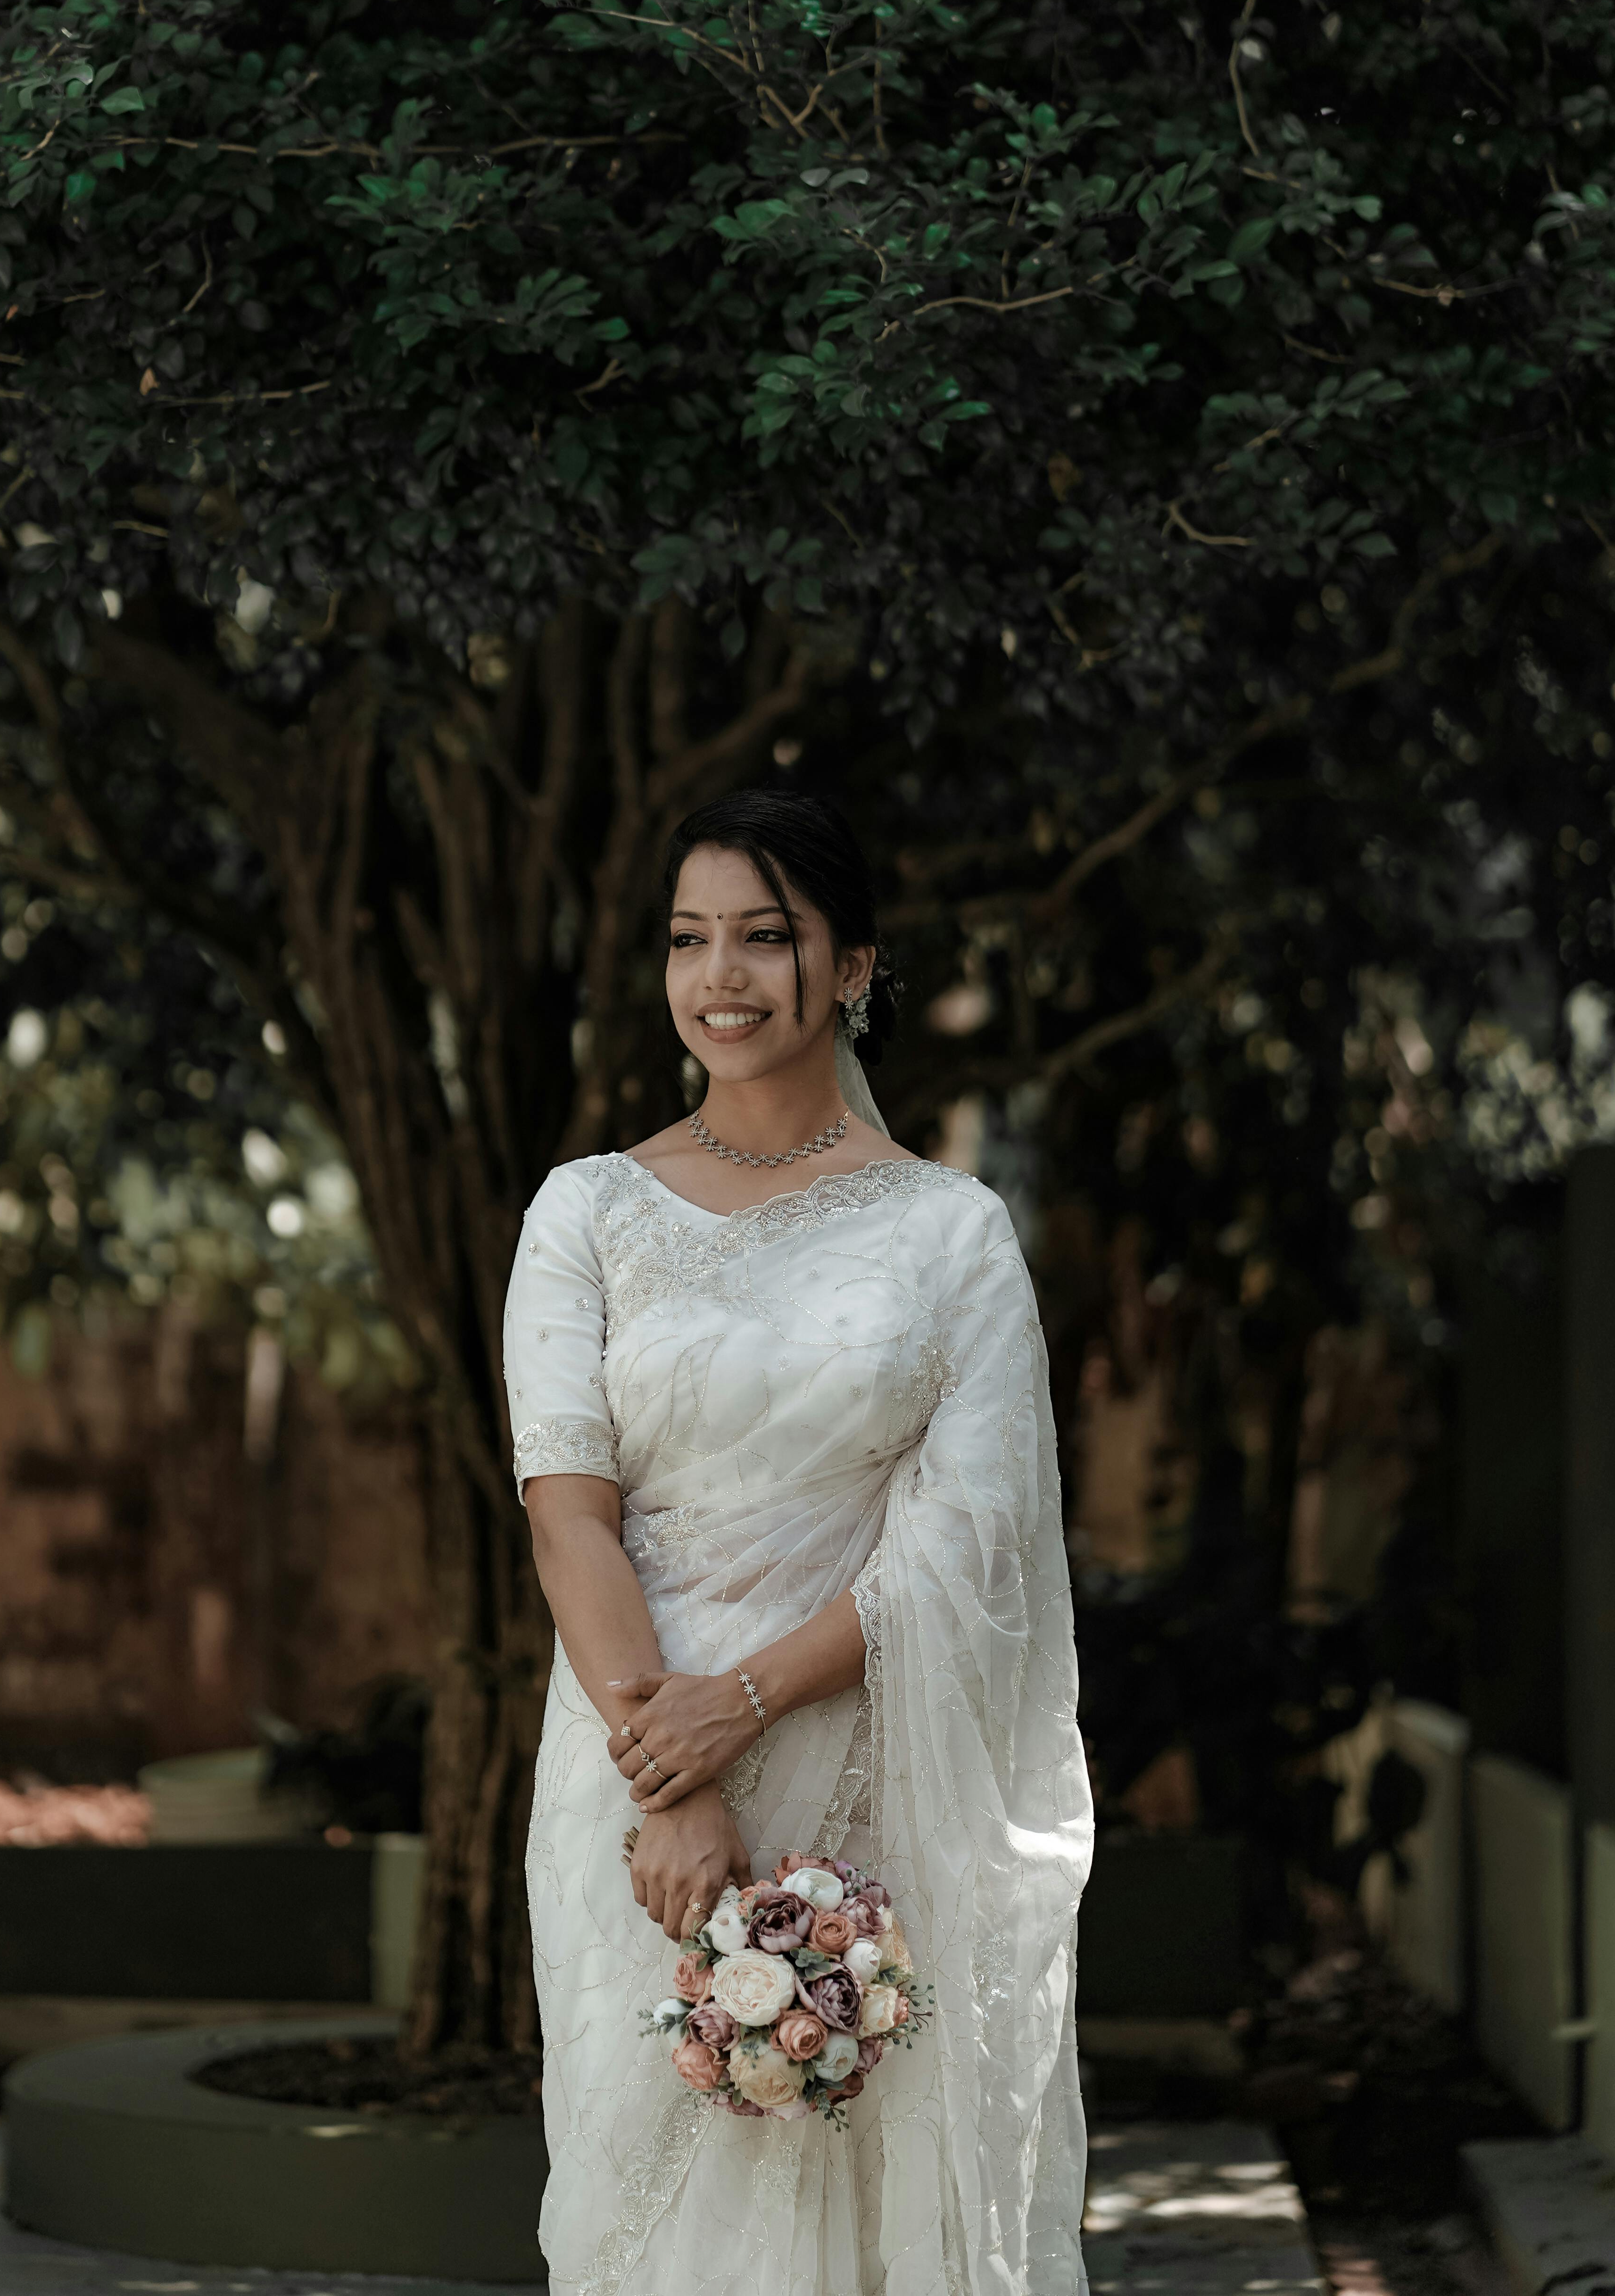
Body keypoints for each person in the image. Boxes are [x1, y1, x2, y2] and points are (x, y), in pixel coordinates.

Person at [504, 788, 1093, 2296]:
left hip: (871, 1771)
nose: (724, 976)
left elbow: (971, 1544)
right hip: (634, 1786)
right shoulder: (585, 1213)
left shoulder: (950, 1233)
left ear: (852, 969)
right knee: (642, 2209)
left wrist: (748, 1703)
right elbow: (569, 1510)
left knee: (874, 2193)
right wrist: (674, 1772)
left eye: (768, 938)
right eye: (692, 939)